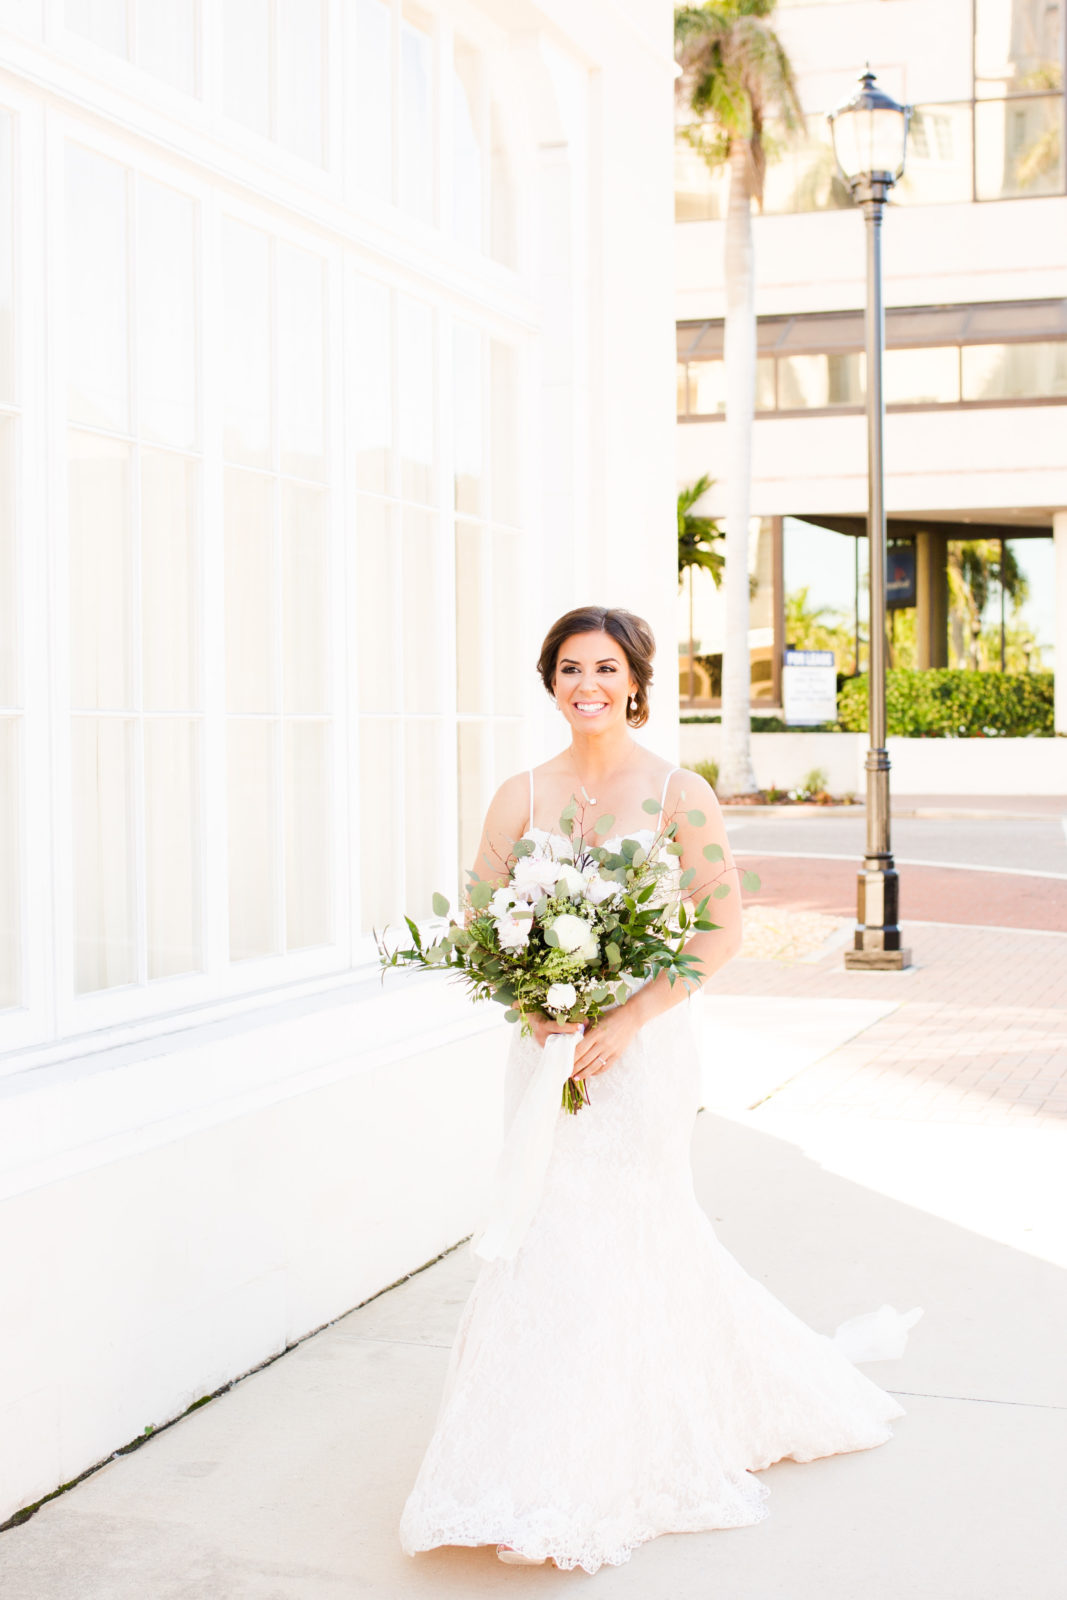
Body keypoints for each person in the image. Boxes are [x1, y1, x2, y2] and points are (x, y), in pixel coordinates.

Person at [399, 605, 912, 1574]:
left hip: (640, 1054)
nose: (584, 684)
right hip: (546, 1052)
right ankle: (521, 1456)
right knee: (542, 1232)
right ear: (546, 681)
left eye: (603, 667)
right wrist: (531, 1006)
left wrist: (625, 1019)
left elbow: (719, 929)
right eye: (566, 668)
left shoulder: (679, 791)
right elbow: (479, 917)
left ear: (635, 679)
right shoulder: (519, 794)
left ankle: (596, 1464)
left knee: (620, 1233)